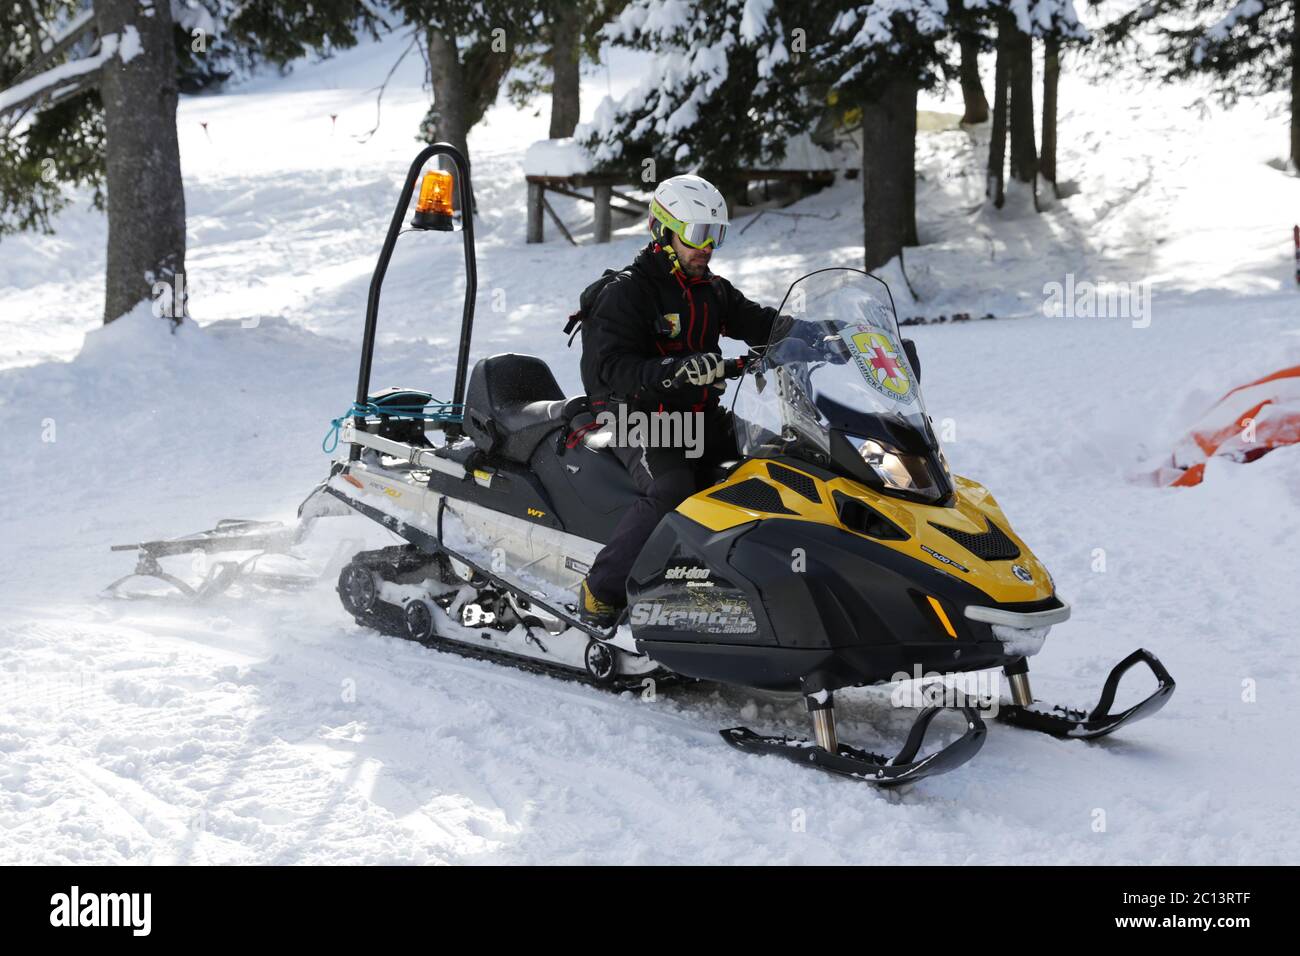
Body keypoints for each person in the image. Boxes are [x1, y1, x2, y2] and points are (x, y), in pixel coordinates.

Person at [577, 174, 779, 626]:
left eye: (716, 235)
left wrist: (824, 335)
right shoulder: (627, 291)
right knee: (672, 487)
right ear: (664, 230)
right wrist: (673, 372)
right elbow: (608, 369)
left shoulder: (712, 291)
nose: (706, 247)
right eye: (697, 234)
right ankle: (600, 589)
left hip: (697, 416)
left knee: (777, 462)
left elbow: (762, 324)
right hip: (634, 417)